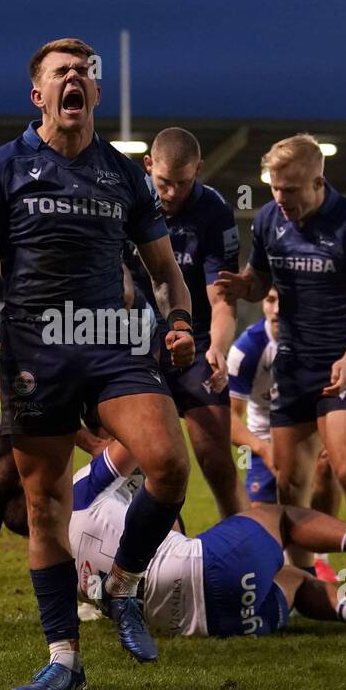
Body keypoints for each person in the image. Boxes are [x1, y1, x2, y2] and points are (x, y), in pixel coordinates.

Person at [0, 36, 195, 690]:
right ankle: (65, 657)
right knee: (43, 501)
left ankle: (120, 587)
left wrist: (179, 324)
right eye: (61, 72)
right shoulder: (1, 168)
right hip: (35, 351)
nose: (74, 79)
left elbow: (167, 271)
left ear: (94, 93)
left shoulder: (122, 173)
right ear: (39, 95)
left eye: (83, 72)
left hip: (113, 342)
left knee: (169, 463)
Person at [65, 439, 346, 639]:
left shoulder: (56, 557)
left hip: (200, 624)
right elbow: (137, 435)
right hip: (206, 567)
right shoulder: (84, 485)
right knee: (278, 516)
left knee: (294, 578)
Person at [216, 135, 346, 542]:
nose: (280, 197)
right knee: (290, 484)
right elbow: (260, 283)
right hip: (293, 365)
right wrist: (244, 285)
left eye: (290, 189)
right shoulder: (267, 221)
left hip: (340, 364)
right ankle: (307, 582)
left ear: (318, 182)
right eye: (274, 187)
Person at [136, 127, 245, 519]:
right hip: (137, 345)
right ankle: (156, 552)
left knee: (217, 461)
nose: (171, 193)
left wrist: (219, 347)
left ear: (199, 169)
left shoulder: (214, 211)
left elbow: (222, 297)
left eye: (183, 183)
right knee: (145, 462)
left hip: (195, 342)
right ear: (148, 165)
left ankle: (241, 550)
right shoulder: (129, 201)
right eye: (164, 182)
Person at [227, 286, 340, 582]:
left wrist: (331, 437)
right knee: (265, 524)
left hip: (310, 425)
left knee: (329, 467)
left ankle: (319, 559)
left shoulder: (318, 340)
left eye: (283, 300)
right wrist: (263, 449)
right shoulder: (247, 348)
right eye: (270, 300)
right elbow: (229, 418)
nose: (276, 309)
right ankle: (281, 562)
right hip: (263, 434)